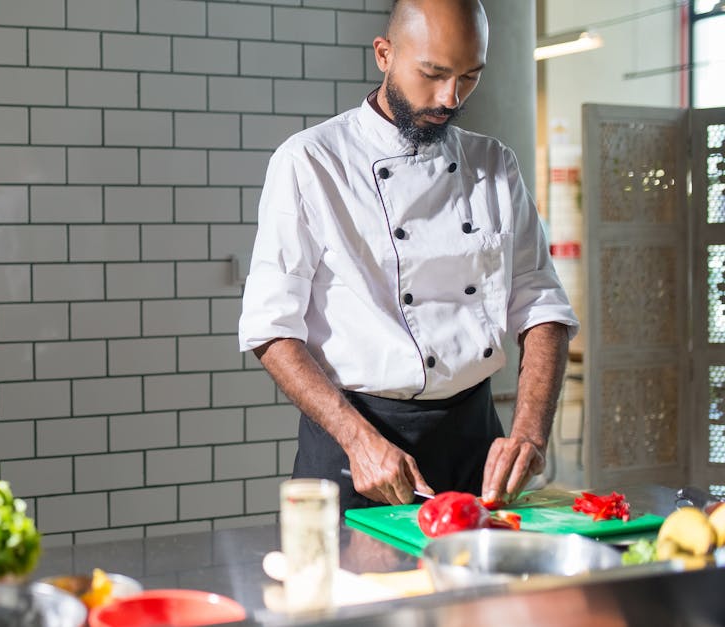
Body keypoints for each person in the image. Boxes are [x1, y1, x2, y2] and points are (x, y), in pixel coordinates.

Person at [238, 0, 578, 513]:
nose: (450, 97)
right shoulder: (310, 162)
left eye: (469, 76)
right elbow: (271, 329)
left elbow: (543, 307)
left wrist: (529, 436)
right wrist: (357, 440)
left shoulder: (495, 165)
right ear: (384, 54)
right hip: (357, 446)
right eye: (433, 73)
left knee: (479, 592)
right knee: (359, 594)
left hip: (474, 441)